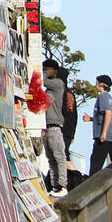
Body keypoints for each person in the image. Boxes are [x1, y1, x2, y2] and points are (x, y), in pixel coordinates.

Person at [83, 75, 112, 175]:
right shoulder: (110, 98)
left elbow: (108, 113)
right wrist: (92, 119)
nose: (95, 85)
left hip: (105, 135)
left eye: (96, 83)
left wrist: (104, 133)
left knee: (96, 162)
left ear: (101, 84)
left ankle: (92, 187)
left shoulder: (103, 96)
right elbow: (106, 116)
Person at [42, 59, 68, 196]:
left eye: (47, 69)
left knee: (59, 157)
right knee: (51, 159)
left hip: (55, 126)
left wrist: (45, 73)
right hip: (47, 127)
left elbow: (41, 80)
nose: (44, 71)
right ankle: (54, 185)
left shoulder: (58, 84)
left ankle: (62, 185)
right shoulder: (51, 87)